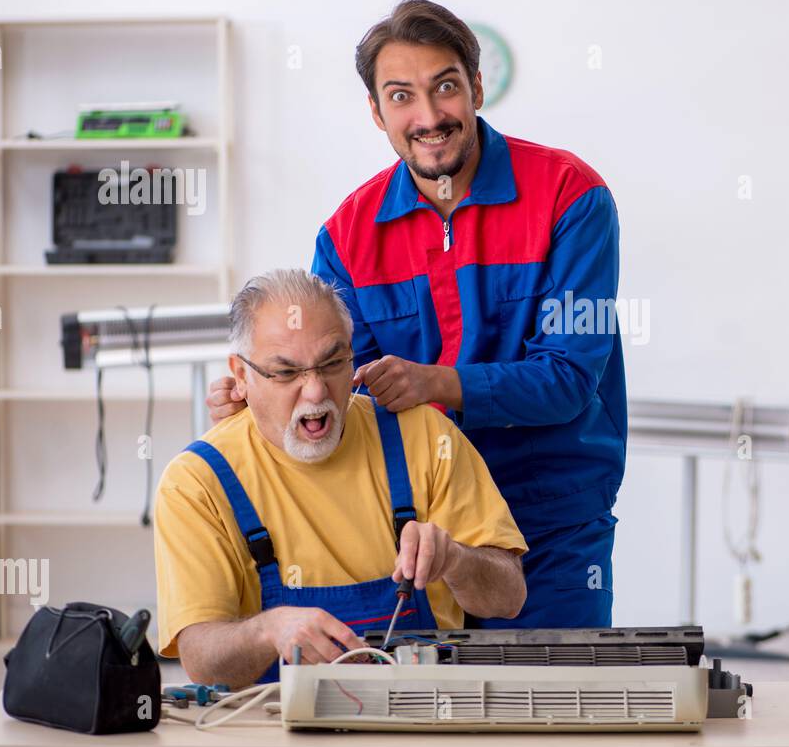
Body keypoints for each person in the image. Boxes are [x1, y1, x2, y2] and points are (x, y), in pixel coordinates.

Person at [208, 0, 626, 629]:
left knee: (548, 711)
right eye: (402, 96)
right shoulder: (347, 235)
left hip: (552, 524)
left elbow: (568, 379)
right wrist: (269, 404)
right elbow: (338, 392)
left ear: (478, 88)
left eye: (446, 88)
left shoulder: (571, 197)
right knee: (403, 716)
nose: (428, 116)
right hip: (411, 527)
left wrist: (436, 382)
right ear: (377, 112)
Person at [156, 269, 527, 688]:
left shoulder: (425, 438)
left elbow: (508, 597)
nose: (315, 392)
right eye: (286, 373)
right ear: (240, 376)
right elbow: (201, 659)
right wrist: (269, 630)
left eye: (332, 364)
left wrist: (457, 559)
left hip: (421, 720)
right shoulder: (197, 481)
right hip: (267, 732)